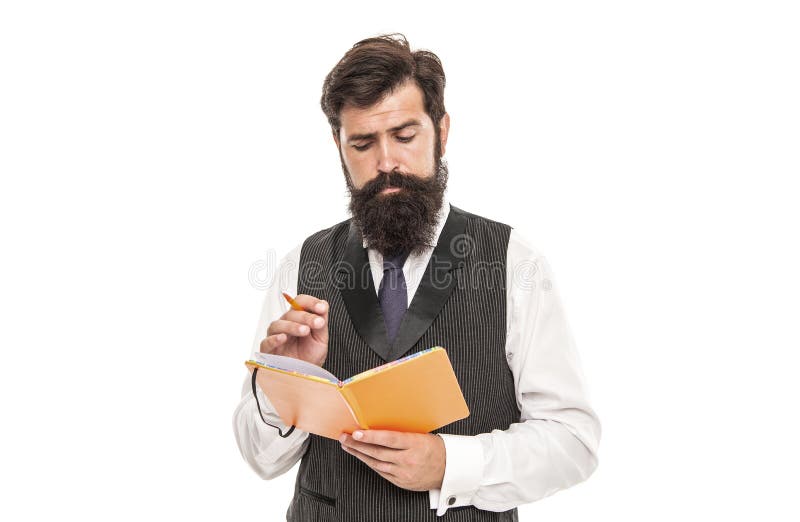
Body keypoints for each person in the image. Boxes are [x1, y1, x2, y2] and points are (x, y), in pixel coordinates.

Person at [232, 33, 601, 521]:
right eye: (362, 143)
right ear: (338, 145)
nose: (386, 163)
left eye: (405, 136)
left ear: (441, 131)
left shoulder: (515, 262)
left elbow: (573, 441)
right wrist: (288, 385)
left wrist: (453, 463)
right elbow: (261, 459)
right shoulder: (302, 263)